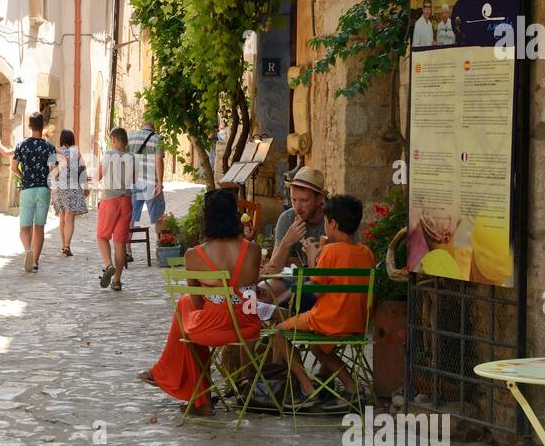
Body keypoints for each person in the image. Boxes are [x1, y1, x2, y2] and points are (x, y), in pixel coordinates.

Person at [139, 189, 262, 416]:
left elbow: (197, 304)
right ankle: (169, 377)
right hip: (247, 324)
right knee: (186, 309)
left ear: (207, 218)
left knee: (185, 307)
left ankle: (198, 397)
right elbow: (251, 289)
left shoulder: (194, 255)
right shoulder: (253, 250)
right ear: (235, 215)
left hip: (214, 329)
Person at [272, 193, 375, 413]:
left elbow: (316, 291)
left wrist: (312, 258)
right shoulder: (366, 253)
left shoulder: (330, 251)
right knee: (319, 349)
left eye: (327, 222)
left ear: (333, 223)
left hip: (328, 319)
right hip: (356, 321)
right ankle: (352, 388)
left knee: (279, 331)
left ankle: (307, 388)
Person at [0, 112, 55, 272]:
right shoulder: (49, 147)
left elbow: (13, 166)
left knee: (24, 229)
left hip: (27, 189)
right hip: (43, 189)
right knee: (39, 227)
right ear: (43, 126)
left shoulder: (22, 145)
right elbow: (53, 170)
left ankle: (28, 250)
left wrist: (22, 176)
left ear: (29, 126)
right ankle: (34, 262)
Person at [257, 166, 326, 307]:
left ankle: (278, 313)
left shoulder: (333, 220)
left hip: (325, 283)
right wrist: (287, 241)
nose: (297, 207)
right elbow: (273, 270)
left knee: (296, 292)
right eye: (294, 200)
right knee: (261, 292)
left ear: (320, 199)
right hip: (299, 278)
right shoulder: (287, 218)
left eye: (304, 201)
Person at [94, 126, 134, 292]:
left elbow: (98, 176)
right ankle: (117, 281)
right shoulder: (132, 157)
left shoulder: (109, 154)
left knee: (102, 237)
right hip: (126, 201)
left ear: (114, 140)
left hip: (110, 200)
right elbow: (134, 178)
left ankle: (108, 265)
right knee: (120, 243)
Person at [126, 121, 165, 263]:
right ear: (154, 127)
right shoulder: (157, 138)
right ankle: (162, 248)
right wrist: (160, 182)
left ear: (143, 125)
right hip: (151, 183)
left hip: (134, 182)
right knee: (158, 217)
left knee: (130, 217)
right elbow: (158, 160)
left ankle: (127, 250)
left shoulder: (130, 137)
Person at [49, 129, 87, 256]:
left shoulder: (55, 153)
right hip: (72, 188)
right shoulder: (76, 153)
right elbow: (82, 170)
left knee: (62, 218)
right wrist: (85, 186)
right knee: (70, 218)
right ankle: (67, 246)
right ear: (72, 140)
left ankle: (63, 244)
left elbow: (53, 172)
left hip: (59, 189)